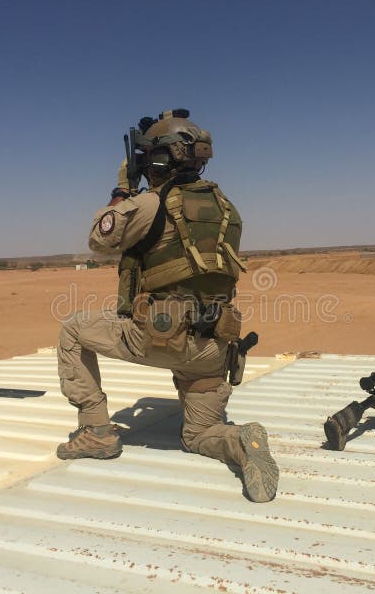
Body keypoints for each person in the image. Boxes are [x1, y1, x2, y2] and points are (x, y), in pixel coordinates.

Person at [56, 109, 279, 503]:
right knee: (200, 435)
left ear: (159, 159)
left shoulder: (150, 205)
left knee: (73, 328)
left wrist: (123, 190)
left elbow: (99, 239)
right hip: (213, 348)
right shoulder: (227, 208)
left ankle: (96, 432)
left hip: (158, 339)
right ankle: (241, 443)